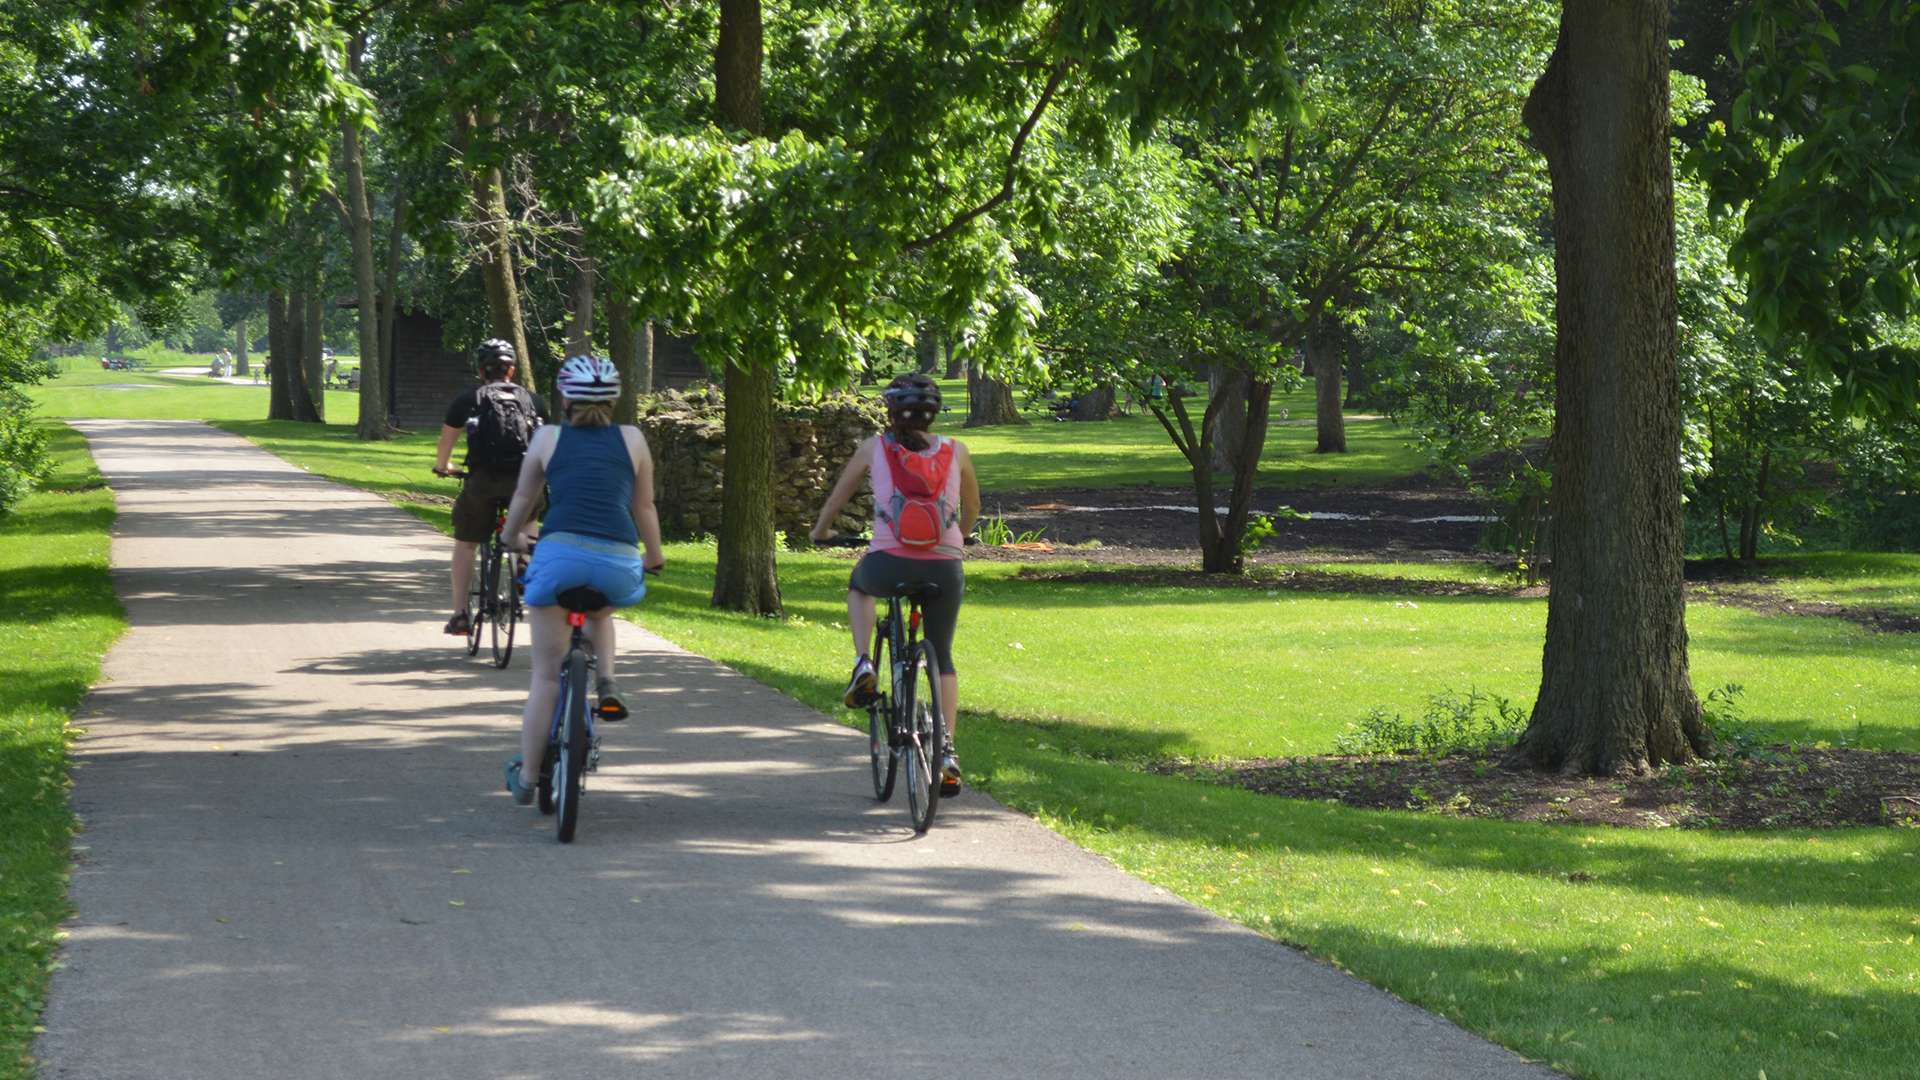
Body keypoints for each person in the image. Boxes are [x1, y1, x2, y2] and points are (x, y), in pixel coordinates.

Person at [499, 355, 665, 804]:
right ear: (614, 398)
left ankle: (529, 778)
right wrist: (654, 555)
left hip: (558, 557)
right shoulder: (632, 439)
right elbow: (643, 507)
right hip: (617, 560)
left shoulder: (547, 437)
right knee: (601, 610)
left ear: (564, 397)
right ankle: (607, 679)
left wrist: (511, 536)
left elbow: (523, 496)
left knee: (546, 678)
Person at [809, 373, 980, 796]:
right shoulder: (957, 451)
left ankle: (864, 662)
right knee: (942, 655)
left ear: (890, 411)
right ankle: (947, 752)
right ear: (934, 413)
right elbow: (972, 508)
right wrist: (959, 538)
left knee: (860, 585)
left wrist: (821, 531)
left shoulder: (874, 448)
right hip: (945, 566)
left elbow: (838, 498)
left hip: (888, 562)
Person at [431, 339, 549, 636]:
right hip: (525, 480)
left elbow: (446, 442)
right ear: (512, 369)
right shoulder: (535, 402)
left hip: (482, 480)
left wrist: (444, 466)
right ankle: (524, 564)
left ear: (480, 369)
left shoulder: (468, 399)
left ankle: (460, 615)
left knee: (467, 543)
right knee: (530, 518)